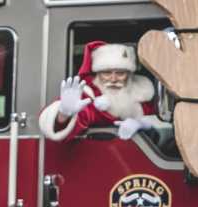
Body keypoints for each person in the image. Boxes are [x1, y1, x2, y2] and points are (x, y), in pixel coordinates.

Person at [37, 40, 165, 142]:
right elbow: (68, 126)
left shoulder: (142, 95)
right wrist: (63, 115)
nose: (113, 79)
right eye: (107, 73)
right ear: (97, 74)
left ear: (129, 75)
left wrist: (143, 124)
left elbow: (165, 125)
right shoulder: (88, 95)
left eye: (120, 73)